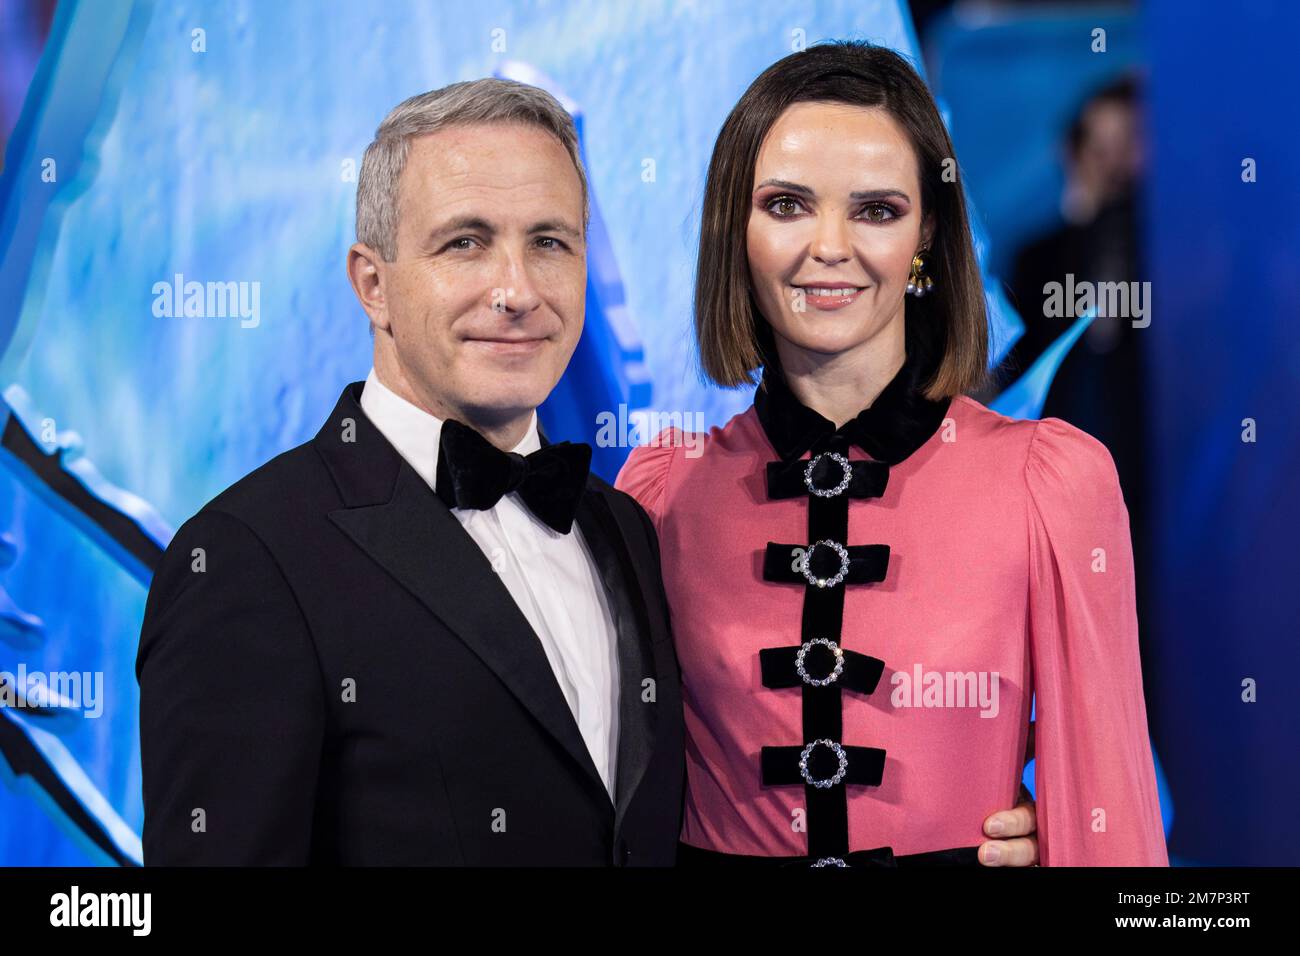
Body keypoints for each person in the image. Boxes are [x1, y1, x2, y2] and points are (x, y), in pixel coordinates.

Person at [616, 41, 1167, 866]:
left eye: (876, 209)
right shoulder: (661, 492)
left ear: (925, 234)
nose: (828, 246)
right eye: (787, 205)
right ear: (737, 226)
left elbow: (1112, 814)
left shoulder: (1050, 484)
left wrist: (1057, 836)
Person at [136, 78, 684, 865]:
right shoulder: (244, 558)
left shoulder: (624, 526)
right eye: (465, 242)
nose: (517, 291)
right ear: (373, 284)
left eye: (549, 242)